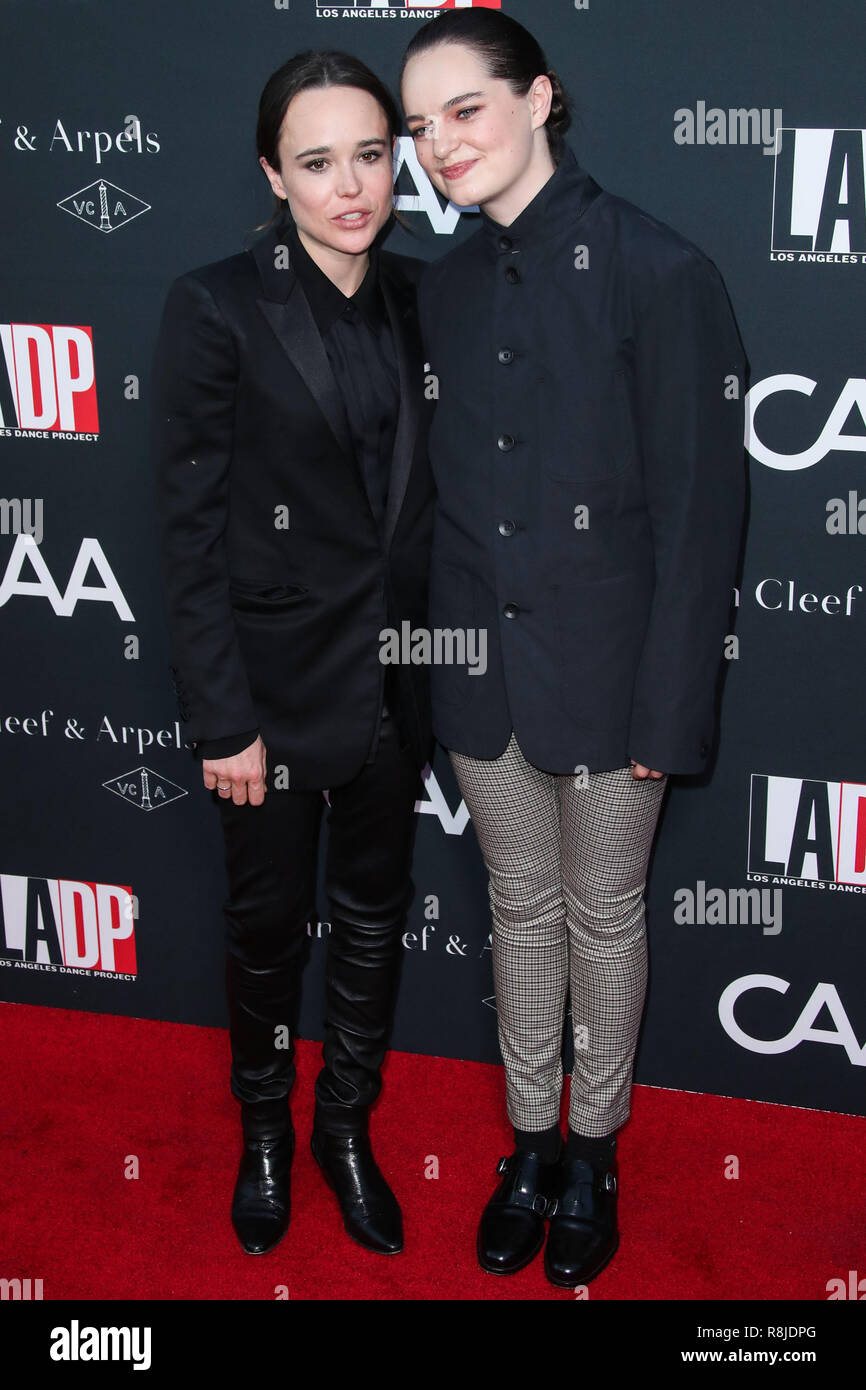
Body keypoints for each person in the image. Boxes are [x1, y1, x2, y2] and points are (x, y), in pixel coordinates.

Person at [401, 11, 746, 1288]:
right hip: (479, 685)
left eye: (466, 112)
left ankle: (592, 1153)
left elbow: (701, 514)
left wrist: (668, 716)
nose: (440, 146)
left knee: (603, 917)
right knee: (515, 909)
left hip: (615, 688)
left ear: (537, 99)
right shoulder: (435, 283)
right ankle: (528, 1143)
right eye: (421, 128)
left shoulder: (659, 271)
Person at [151, 50, 434, 1257]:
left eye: (370, 154)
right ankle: (265, 1131)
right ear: (274, 173)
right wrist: (223, 719)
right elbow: (186, 529)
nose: (350, 185)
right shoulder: (215, 304)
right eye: (316, 162)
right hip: (265, 700)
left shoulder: (430, 296)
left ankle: (345, 1129)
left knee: (372, 921)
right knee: (270, 932)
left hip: (400, 689)